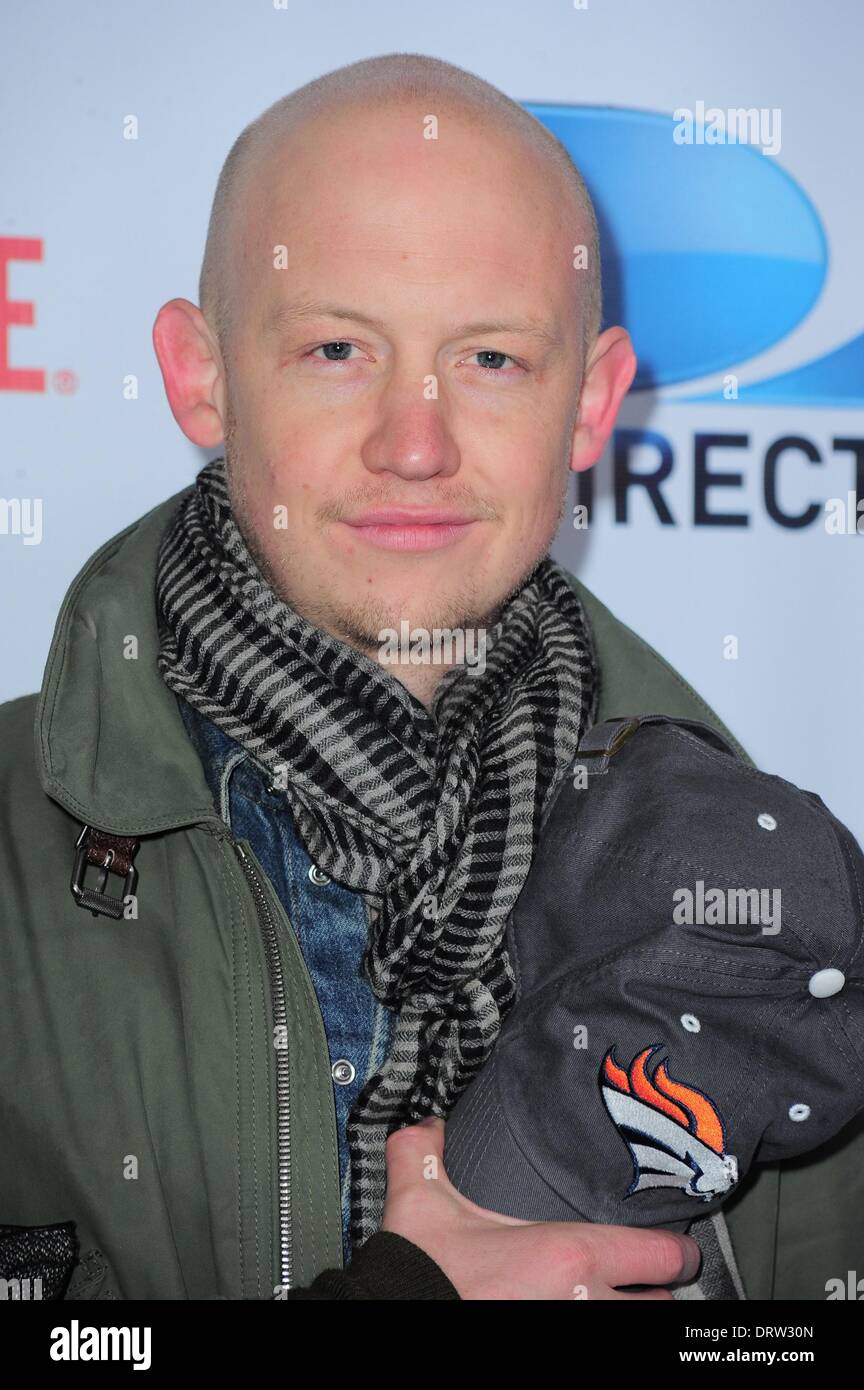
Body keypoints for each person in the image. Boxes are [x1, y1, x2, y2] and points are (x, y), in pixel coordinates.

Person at [1, 52, 858, 1303]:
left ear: (593, 402)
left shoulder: (757, 893)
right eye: (340, 346)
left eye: (494, 360)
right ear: (203, 376)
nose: (417, 443)